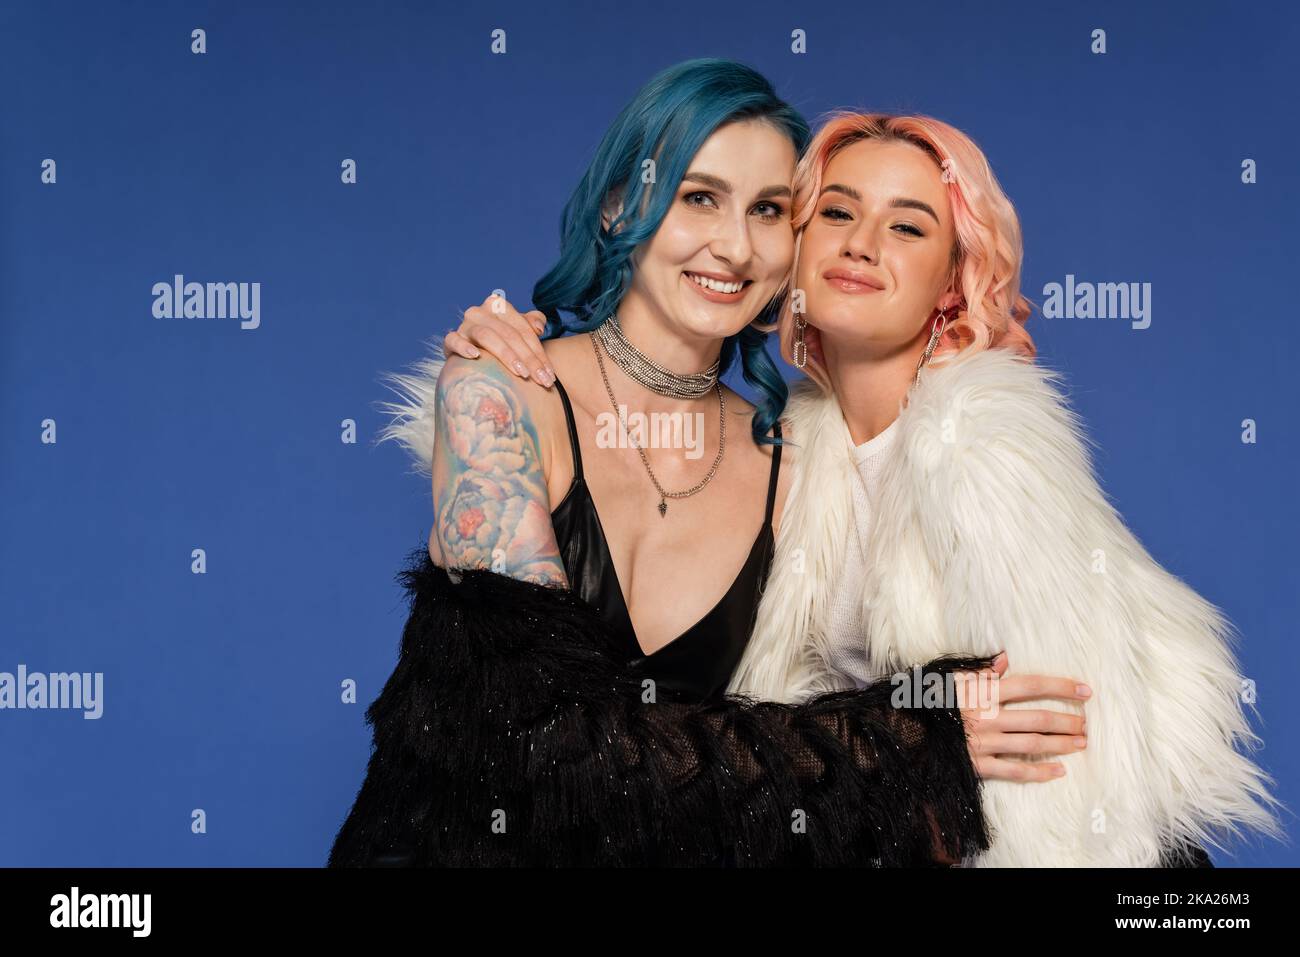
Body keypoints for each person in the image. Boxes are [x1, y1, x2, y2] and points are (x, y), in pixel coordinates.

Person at [443, 107, 1284, 867]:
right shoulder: (790, 449)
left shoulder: (985, 451)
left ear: (954, 281)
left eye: (908, 227)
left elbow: (1067, 782)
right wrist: (524, 354)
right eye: (836, 213)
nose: (860, 243)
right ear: (798, 249)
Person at [330, 60, 1087, 868]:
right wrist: (912, 736)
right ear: (622, 205)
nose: (733, 246)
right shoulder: (500, 393)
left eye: (768, 210)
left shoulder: (796, 463)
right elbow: (537, 743)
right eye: (699, 197)